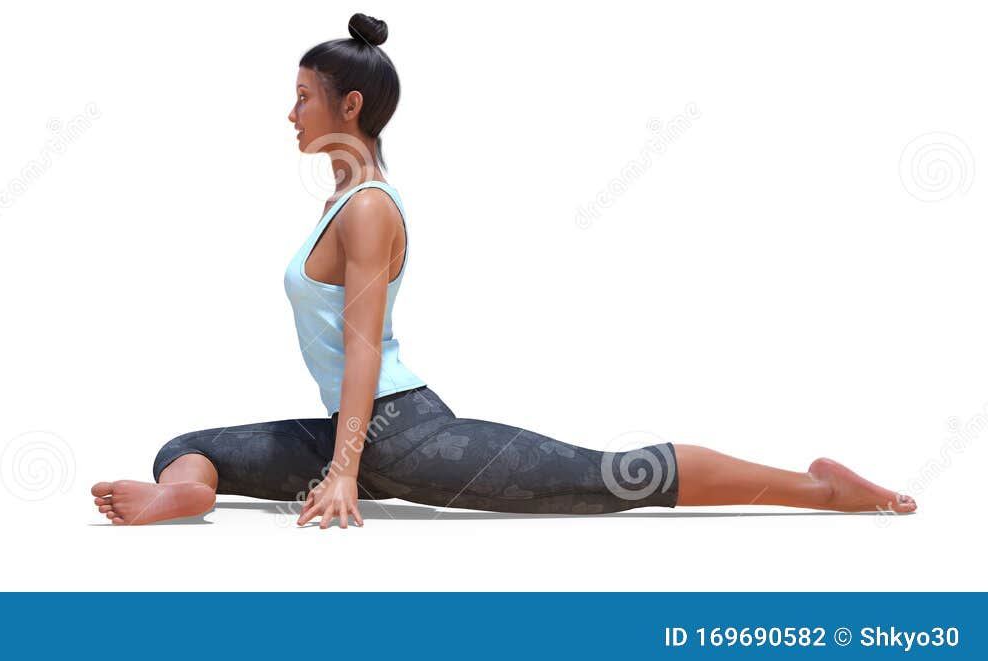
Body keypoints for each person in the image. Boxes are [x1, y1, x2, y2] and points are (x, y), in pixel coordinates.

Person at [91, 13, 917, 528]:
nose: (289, 111)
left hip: (406, 434)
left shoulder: (371, 208)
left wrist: (344, 472)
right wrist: (341, 460)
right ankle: (182, 494)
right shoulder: (345, 200)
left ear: (349, 107)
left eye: (303, 95)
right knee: (186, 447)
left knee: (614, 478)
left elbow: (366, 348)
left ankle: (822, 491)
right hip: (365, 432)